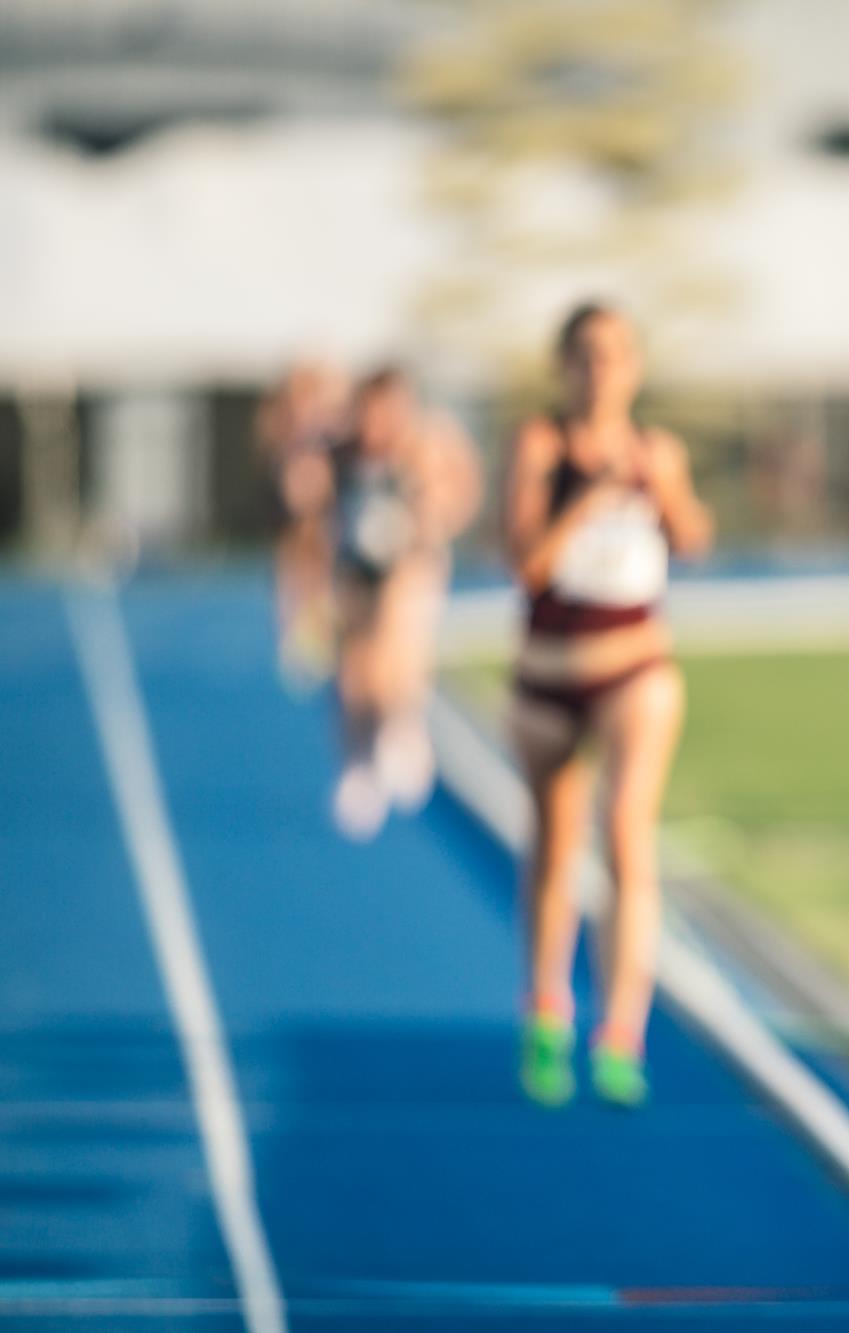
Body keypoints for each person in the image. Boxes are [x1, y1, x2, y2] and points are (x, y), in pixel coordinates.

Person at [507, 302, 713, 1109]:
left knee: (627, 834)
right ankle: (548, 1007)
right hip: (548, 676)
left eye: (616, 354)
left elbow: (693, 541)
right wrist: (587, 496)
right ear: (564, 365)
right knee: (556, 845)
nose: (602, 369)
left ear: (634, 366)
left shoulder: (656, 448)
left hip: (635, 672)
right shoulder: (541, 444)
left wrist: (662, 492)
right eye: (586, 354)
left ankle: (622, 1031)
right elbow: (527, 563)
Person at [325, 367, 482, 841]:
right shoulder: (344, 451)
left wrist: (435, 510)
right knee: (354, 670)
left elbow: (463, 489)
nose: (377, 422)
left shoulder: (422, 447)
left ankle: (403, 725)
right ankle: (358, 760)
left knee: (397, 647)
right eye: (369, 410)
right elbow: (316, 506)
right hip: (356, 566)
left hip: (412, 563)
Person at [257, 358, 349, 690]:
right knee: (296, 565)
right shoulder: (284, 437)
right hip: (299, 534)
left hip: (323, 533)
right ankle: (299, 627)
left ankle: (320, 623)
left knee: (320, 562)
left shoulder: (332, 435)